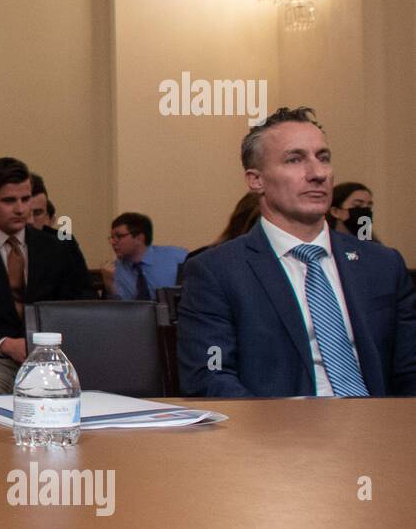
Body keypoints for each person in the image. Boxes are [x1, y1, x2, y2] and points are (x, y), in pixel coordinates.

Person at [178, 107, 416, 397]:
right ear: (256, 180)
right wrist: (277, 425)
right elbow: (210, 376)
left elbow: (410, 369)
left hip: (381, 420)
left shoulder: (382, 264)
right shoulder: (217, 271)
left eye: (323, 158)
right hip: (275, 422)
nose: (317, 174)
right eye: (295, 159)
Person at [0, 157, 95, 395]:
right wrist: (4, 345)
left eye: (26, 199)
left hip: (49, 359)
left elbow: (82, 308)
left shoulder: (56, 249)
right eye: (9, 200)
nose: (20, 209)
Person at [105, 212, 187, 299]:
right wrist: (110, 284)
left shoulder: (176, 257)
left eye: (119, 236)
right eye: (112, 237)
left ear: (139, 238)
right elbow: (120, 305)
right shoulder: (114, 270)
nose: (112, 242)